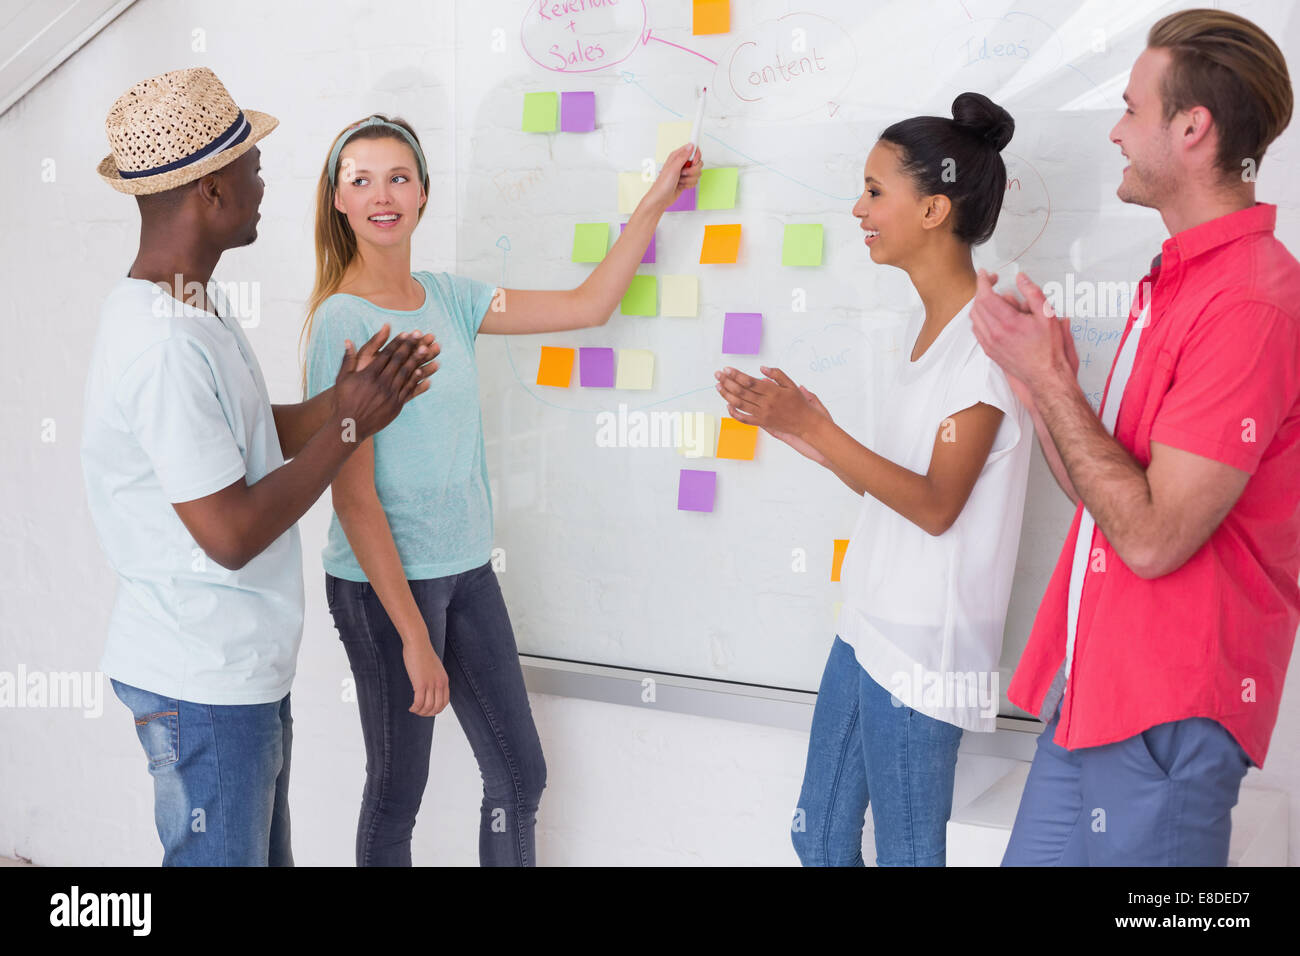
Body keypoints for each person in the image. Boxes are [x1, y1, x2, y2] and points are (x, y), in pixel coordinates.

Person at [303, 113, 703, 866]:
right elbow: (352, 499)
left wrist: (655, 200)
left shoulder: (451, 299)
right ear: (338, 202)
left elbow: (588, 306)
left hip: (465, 571)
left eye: (398, 177)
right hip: (384, 587)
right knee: (397, 792)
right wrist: (415, 639)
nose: (382, 194)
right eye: (361, 180)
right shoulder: (342, 323)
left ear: (423, 193)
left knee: (520, 774)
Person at [82, 67, 437, 866]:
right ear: (210, 191)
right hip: (200, 683)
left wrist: (345, 400)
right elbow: (230, 531)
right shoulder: (164, 343)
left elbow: (242, 438)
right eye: (251, 162)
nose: (264, 177)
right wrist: (350, 427)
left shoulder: (186, 304)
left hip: (230, 672)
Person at [973, 9, 1298, 866]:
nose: (1114, 131)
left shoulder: (1249, 304)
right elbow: (1107, 498)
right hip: (1093, 695)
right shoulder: (1179, 280)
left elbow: (1153, 541)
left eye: (1130, 109)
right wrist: (1042, 383)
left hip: (1168, 719)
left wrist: (1050, 382)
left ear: (1192, 128)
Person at [717, 93, 1032, 866]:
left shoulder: (986, 342)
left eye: (874, 190)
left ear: (932, 209)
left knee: (907, 853)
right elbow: (899, 486)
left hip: (925, 651)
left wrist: (819, 427)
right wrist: (802, 432)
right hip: (868, 626)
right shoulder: (928, 329)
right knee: (817, 836)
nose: (857, 207)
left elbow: (934, 506)